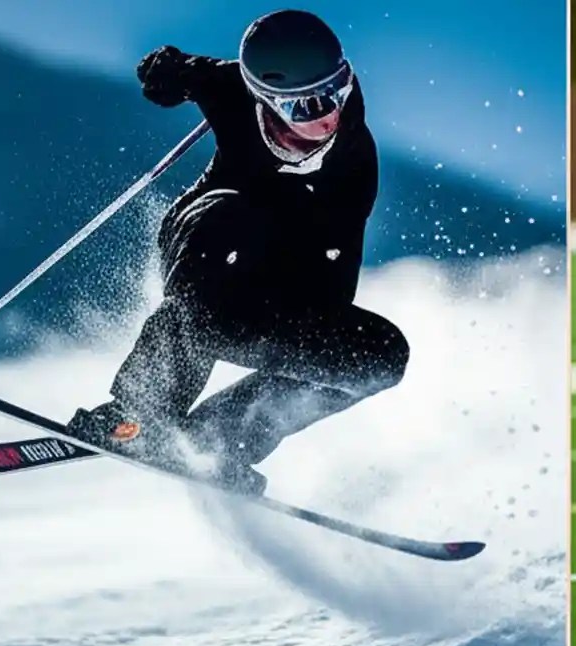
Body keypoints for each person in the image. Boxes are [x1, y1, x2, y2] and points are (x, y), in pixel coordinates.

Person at [66, 10, 409, 495]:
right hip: (206, 243)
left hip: (274, 287)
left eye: (337, 91)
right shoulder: (231, 90)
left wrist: (314, 340)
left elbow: (338, 265)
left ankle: (217, 440)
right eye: (305, 107)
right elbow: (172, 72)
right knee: (239, 213)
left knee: (383, 355)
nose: (327, 114)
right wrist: (164, 74)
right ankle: (140, 413)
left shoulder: (354, 161)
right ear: (266, 99)